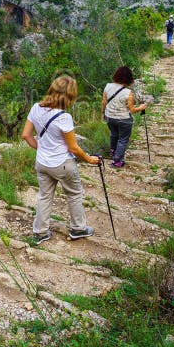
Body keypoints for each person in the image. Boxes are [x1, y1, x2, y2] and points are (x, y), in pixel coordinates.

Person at [21, 75, 99, 245]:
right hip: (62, 164)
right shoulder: (64, 117)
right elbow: (73, 148)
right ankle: (78, 229)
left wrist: (41, 149)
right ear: (70, 96)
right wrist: (89, 159)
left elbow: (26, 135)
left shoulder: (35, 108)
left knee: (44, 196)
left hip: (42, 163)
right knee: (74, 194)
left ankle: (40, 232)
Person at [102, 66, 148, 168]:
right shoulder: (128, 93)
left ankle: (113, 152)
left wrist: (103, 113)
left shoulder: (107, 86)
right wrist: (141, 107)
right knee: (122, 140)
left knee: (114, 135)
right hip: (123, 120)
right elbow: (132, 110)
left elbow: (104, 102)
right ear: (128, 78)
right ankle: (117, 161)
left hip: (110, 117)